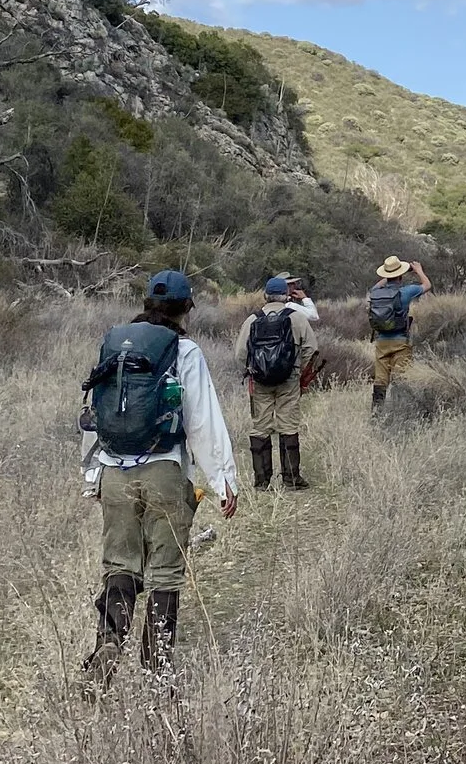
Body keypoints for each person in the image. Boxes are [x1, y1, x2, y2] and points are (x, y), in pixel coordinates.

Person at [81, 270, 237, 681]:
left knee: (120, 564)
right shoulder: (185, 351)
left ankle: (109, 643)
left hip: (114, 472)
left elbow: (94, 415)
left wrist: (93, 474)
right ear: (187, 308)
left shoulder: (114, 344)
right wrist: (223, 482)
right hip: (165, 471)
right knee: (165, 572)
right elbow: (202, 422)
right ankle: (158, 670)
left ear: (147, 302)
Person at [239, 275, 320, 490]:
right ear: (285, 296)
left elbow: (240, 353)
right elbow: (311, 348)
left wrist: (253, 369)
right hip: (289, 380)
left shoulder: (252, 320)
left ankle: (261, 481)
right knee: (288, 425)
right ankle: (291, 479)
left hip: (260, 381)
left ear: (265, 296)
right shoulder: (297, 318)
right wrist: (297, 369)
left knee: (260, 427)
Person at [365, 254, 431, 414]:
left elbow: (379, 285)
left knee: (380, 379)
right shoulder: (406, 292)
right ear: (400, 275)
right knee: (401, 377)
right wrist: (417, 270)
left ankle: (377, 412)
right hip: (400, 340)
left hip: (381, 341)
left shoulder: (376, 292)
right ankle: (399, 411)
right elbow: (427, 285)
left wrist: (389, 275)